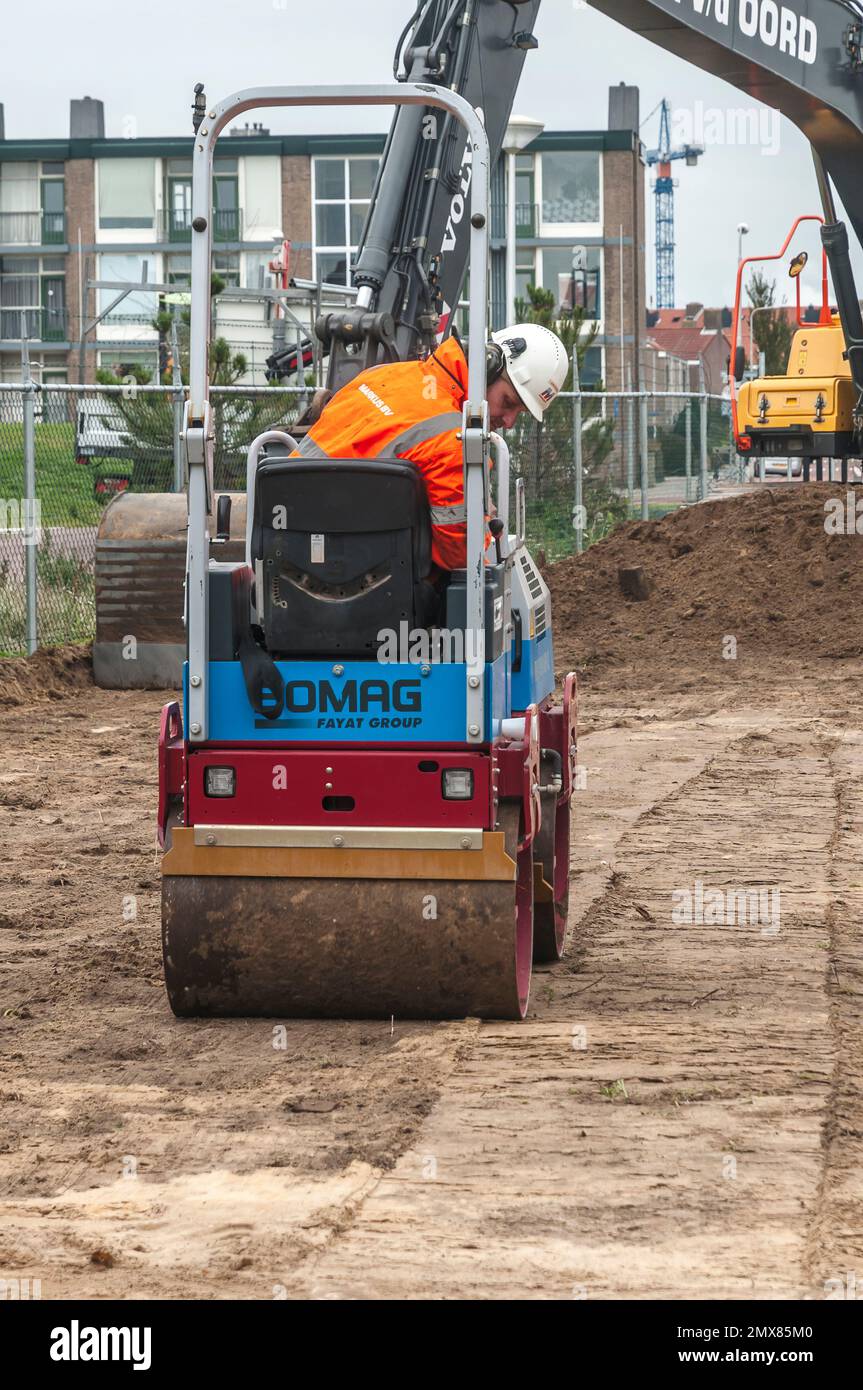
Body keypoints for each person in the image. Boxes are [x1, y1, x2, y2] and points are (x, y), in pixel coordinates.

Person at [293, 323, 568, 572]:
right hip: (357, 577)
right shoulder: (453, 441)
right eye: (508, 402)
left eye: (519, 413)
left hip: (289, 545)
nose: (509, 421)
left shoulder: (382, 375)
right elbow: (461, 557)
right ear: (488, 366)